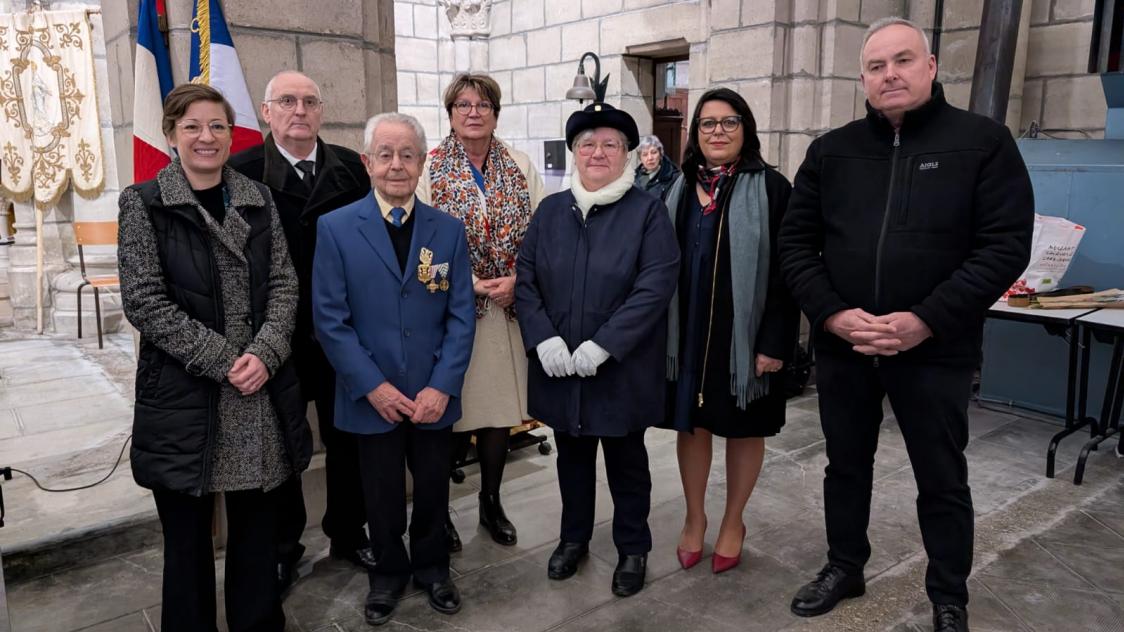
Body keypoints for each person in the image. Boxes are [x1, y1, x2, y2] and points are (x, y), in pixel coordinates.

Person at [778, 17, 1033, 632]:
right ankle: (845, 565)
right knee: (846, 466)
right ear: (863, 78)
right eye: (875, 66)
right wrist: (833, 316)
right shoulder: (831, 151)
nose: (889, 74)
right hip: (848, 347)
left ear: (931, 66)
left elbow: (1004, 246)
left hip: (935, 350)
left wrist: (925, 320)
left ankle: (949, 594)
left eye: (902, 60)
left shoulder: (983, 142)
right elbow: (795, 244)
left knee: (941, 476)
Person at [118, 83, 311, 632]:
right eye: (193, 127)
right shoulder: (144, 203)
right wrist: (226, 359)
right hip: (185, 398)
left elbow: (283, 284)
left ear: (232, 133)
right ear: (171, 135)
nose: (207, 137)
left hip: (256, 392)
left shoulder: (257, 197)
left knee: (255, 537)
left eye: (217, 126)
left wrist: (265, 353)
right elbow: (145, 302)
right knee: (186, 545)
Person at [312, 112, 475, 626]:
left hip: (432, 394)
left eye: (408, 154)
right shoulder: (335, 229)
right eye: (385, 154)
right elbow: (329, 320)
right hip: (371, 395)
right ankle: (387, 571)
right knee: (378, 494)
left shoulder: (447, 232)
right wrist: (372, 387)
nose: (397, 165)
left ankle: (432, 567)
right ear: (367, 163)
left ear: (422, 162)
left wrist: (442, 386)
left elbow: (461, 315)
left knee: (431, 488)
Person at [515, 102, 679, 597]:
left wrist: (604, 345)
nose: (598, 152)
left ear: (627, 153)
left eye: (611, 144)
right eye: (587, 144)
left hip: (619, 369)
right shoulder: (550, 211)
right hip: (562, 366)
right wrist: (542, 337)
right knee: (571, 459)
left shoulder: (646, 211)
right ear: (574, 152)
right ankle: (574, 538)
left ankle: (633, 547)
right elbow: (526, 279)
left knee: (627, 462)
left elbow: (655, 284)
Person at [229, 70, 373, 589]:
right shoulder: (240, 172)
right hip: (275, 337)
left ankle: (349, 533)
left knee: (349, 439)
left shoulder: (354, 169)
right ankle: (284, 547)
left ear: (321, 111)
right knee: (285, 445)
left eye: (310, 101)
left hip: (343, 333)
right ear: (266, 112)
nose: (300, 110)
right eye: (286, 101)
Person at [661, 88, 799, 574]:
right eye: (707, 123)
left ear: (746, 130)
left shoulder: (773, 189)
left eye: (729, 122)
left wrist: (775, 341)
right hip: (689, 332)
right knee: (692, 423)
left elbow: (790, 271)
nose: (717, 131)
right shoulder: (675, 189)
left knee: (744, 428)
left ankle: (733, 521)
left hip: (746, 338)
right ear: (694, 133)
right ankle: (695, 518)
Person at [417, 73, 545, 551]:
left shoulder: (519, 164)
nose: (474, 112)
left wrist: (519, 281)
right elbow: (421, 243)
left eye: (484, 104)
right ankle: (442, 510)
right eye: (464, 104)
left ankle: (491, 502)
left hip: (507, 312)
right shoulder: (430, 170)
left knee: (497, 415)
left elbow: (539, 235)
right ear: (450, 113)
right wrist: (467, 284)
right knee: (452, 413)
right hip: (452, 312)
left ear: (496, 112)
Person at [634, 135, 680, 201]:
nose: (650, 158)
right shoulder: (634, 178)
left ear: (660, 154)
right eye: (645, 154)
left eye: (654, 152)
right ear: (640, 158)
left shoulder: (673, 177)